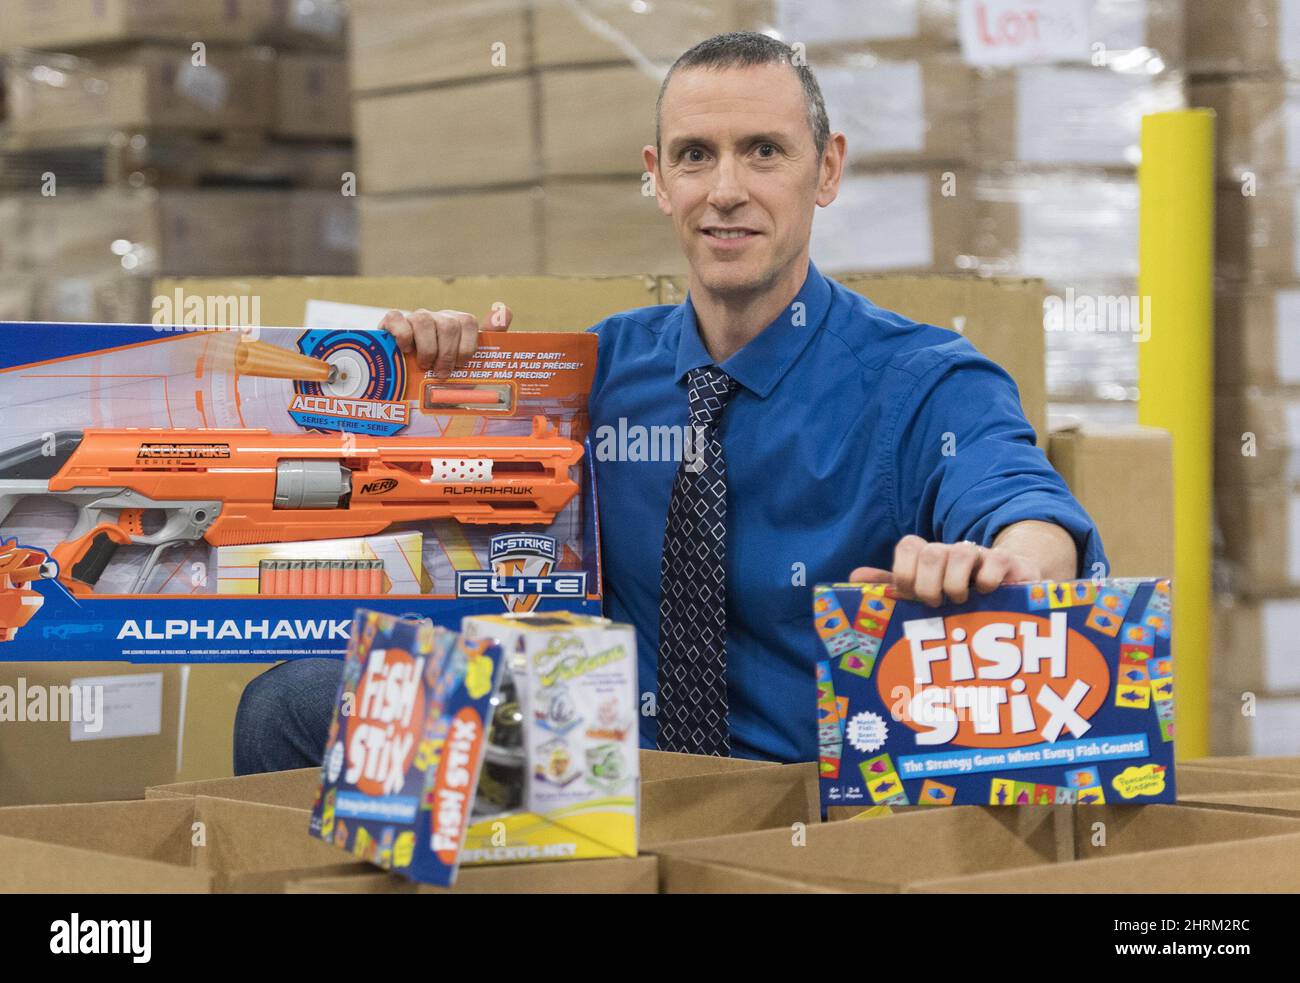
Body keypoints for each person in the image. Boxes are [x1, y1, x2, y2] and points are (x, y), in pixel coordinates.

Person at [235, 32, 1105, 773]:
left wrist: (1003, 573)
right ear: (659, 179)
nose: (727, 188)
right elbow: (454, 508)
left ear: (826, 169)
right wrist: (420, 378)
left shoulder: (925, 378)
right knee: (287, 704)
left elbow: (1029, 514)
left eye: (765, 151)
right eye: (696, 155)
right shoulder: (600, 366)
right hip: (598, 758)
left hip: (811, 789)